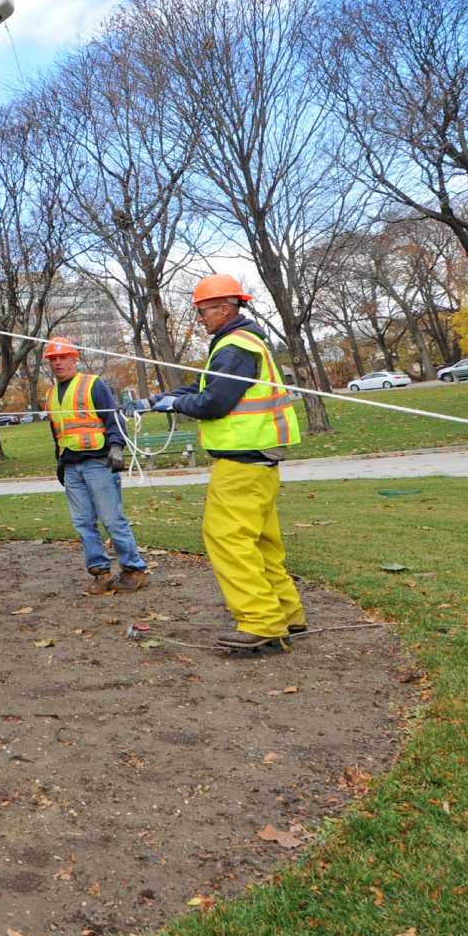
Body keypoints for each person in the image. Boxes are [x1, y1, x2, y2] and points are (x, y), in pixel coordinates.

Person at [150, 275, 305, 653]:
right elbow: (209, 389)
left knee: (227, 538)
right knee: (261, 542)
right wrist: (164, 397)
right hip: (259, 461)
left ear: (224, 307)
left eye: (202, 311)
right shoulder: (241, 343)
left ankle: (260, 621)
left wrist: (177, 405)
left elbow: (214, 404)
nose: (199, 319)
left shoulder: (234, 348)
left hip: (242, 462)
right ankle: (286, 613)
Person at [44, 337, 148, 594]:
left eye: (63, 357)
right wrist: (60, 462)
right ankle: (100, 573)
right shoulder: (50, 395)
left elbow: (113, 418)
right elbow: (58, 432)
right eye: (53, 359)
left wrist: (116, 447)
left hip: (98, 463)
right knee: (82, 523)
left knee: (112, 520)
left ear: (74, 358)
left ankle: (134, 569)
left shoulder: (92, 384)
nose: (58, 363)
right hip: (71, 466)